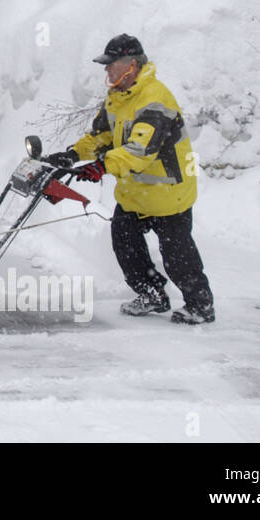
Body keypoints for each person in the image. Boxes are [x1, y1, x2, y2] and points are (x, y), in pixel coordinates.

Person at [44, 34, 215, 324]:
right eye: (106, 64)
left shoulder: (155, 99)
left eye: (111, 64)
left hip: (168, 193)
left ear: (131, 65)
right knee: (124, 242)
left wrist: (102, 167)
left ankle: (200, 306)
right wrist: (72, 154)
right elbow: (101, 137)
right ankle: (151, 294)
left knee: (177, 255)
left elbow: (141, 150)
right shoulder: (117, 98)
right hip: (136, 193)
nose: (106, 70)